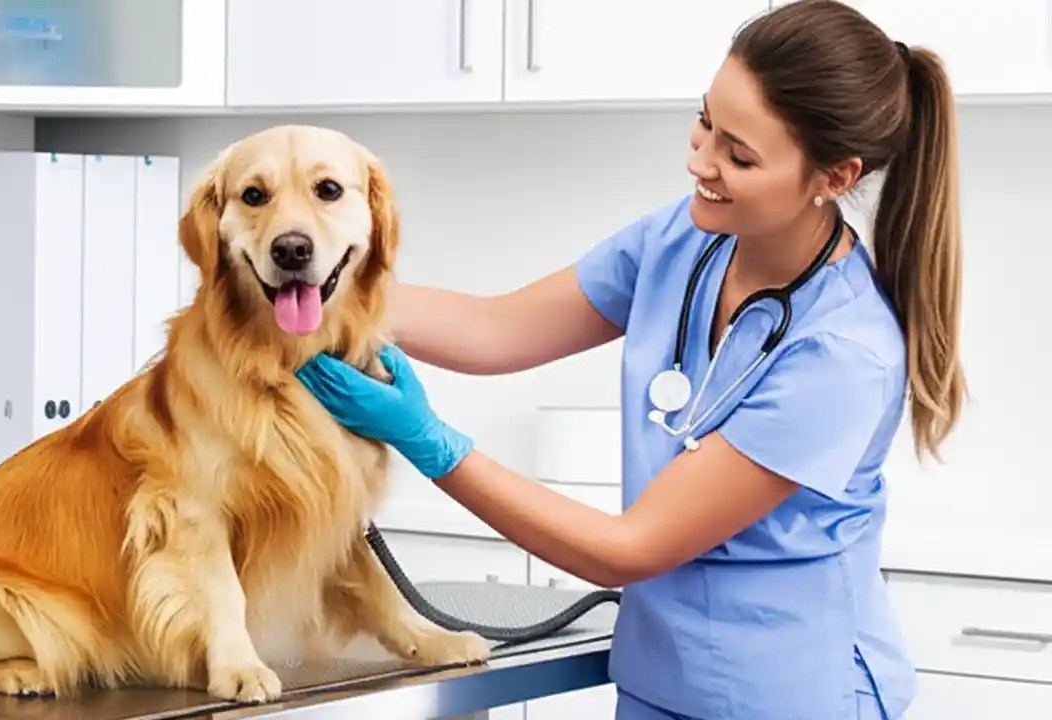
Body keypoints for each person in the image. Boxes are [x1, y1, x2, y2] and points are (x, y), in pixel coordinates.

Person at [296, 1, 965, 718]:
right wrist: (322, 296)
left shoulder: (845, 353)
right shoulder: (682, 237)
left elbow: (629, 549)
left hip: (792, 694)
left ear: (833, 178)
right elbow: (495, 329)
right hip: (659, 682)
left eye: (739, 155)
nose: (700, 161)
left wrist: (426, 440)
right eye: (705, 122)